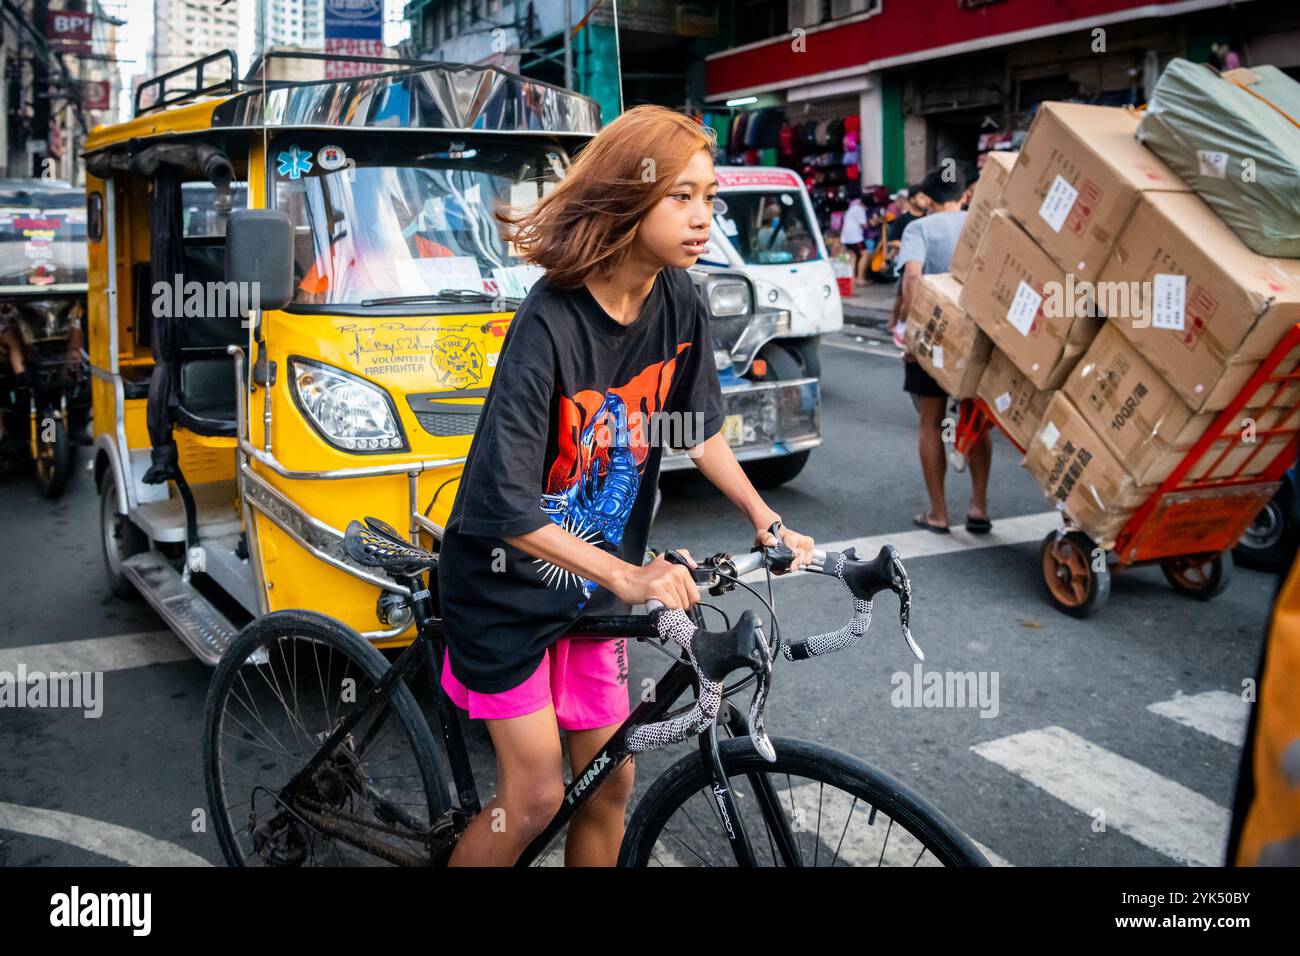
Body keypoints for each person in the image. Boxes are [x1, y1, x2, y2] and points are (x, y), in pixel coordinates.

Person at [436, 105, 816, 867]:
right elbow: (505, 505)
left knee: (610, 783)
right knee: (536, 794)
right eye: (681, 196)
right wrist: (632, 574)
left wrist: (763, 516)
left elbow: (695, 427)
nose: (704, 216)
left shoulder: (680, 300)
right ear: (625, 196)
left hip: (593, 591)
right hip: (504, 589)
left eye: (710, 196)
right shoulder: (550, 320)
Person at [887, 167, 993, 535]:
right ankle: (978, 507)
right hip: (979, 336)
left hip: (936, 337)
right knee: (974, 418)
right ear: (964, 196)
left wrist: (916, 337)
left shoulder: (919, 228)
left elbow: (912, 277)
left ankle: (939, 513)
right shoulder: (983, 223)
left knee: (931, 422)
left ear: (926, 200)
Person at [840, 195, 868, 286]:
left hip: (846, 236)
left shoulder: (852, 208)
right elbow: (864, 225)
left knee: (852, 256)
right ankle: (860, 278)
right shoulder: (860, 209)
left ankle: (852, 279)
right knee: (865, 254)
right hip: (855, 236)